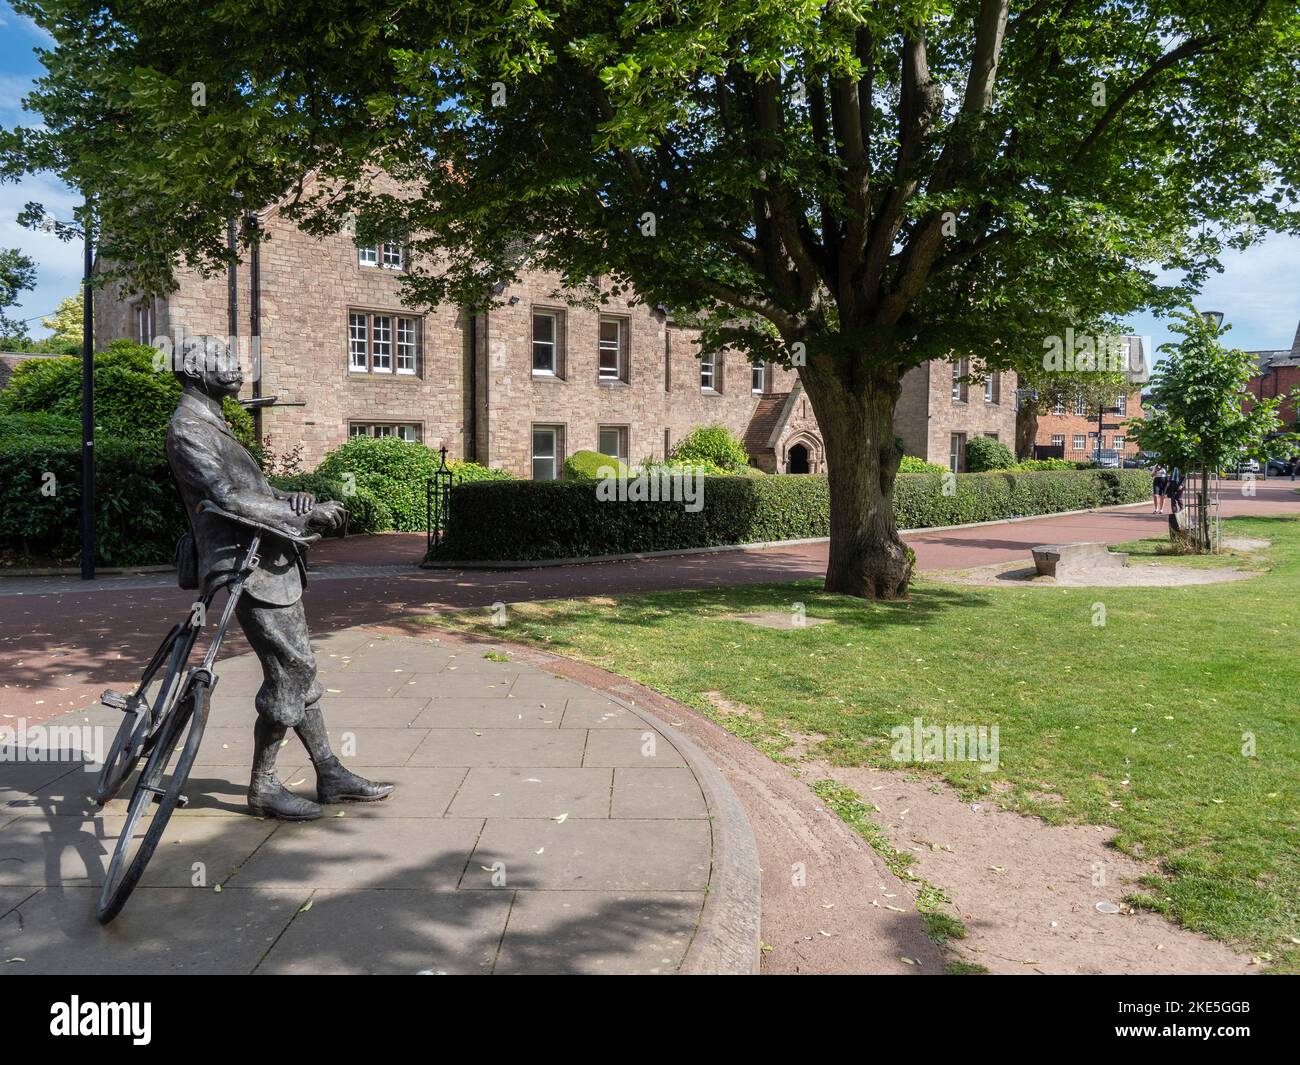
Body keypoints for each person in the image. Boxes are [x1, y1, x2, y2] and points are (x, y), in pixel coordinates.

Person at [166, 340, 395, 820]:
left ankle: (329, 773)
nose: (236, 366)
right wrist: (305, 522)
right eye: (223, 359)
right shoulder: (188, 428)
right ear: (193, 368)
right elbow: (226, 497)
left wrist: (295, 500)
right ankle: (264, 787)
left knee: (299, 667)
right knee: (292, 670)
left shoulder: (214, 424)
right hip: (241, 562)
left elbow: (259, 492)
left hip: (267, 559)